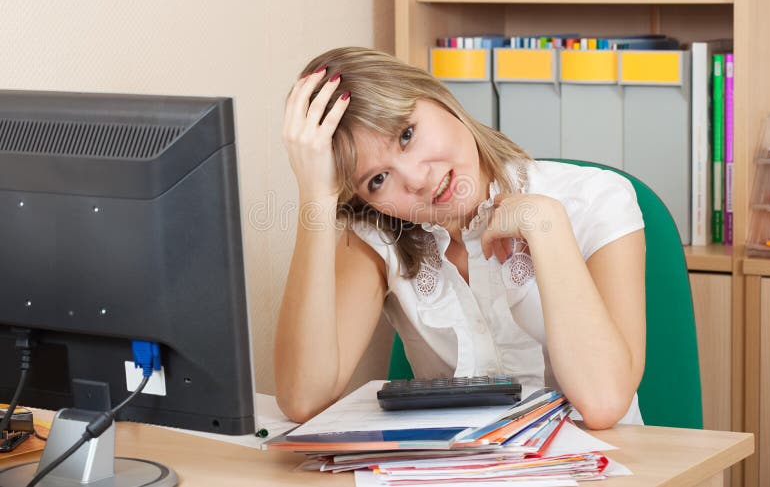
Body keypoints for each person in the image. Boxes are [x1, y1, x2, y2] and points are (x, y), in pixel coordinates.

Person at [274, 47, 646, 430]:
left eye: (407, 135)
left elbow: (603, 403)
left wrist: (546, 226)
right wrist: (316, 196)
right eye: (378, 179)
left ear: (436, 96)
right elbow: (304, 399)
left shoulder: (597, 198)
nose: (416, 179)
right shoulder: (379, 236)